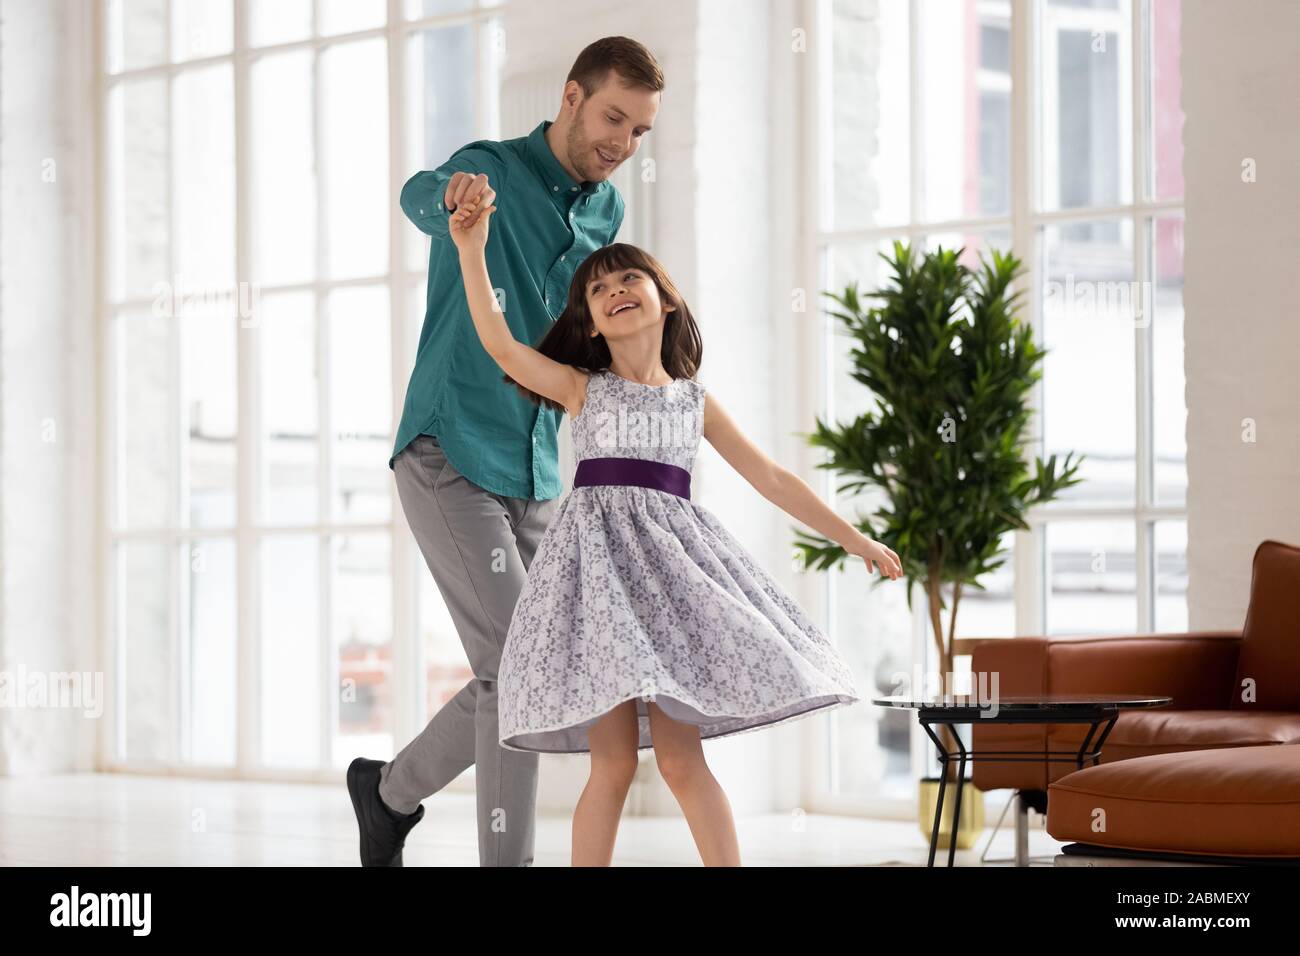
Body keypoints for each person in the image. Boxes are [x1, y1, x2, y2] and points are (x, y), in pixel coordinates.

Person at [447, 192, 904, 866]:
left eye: (629, 277)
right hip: (598, 585)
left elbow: (772, 478)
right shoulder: (584, 388)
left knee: (683, 763)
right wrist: (471, 247)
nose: (614, 290)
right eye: (597, 289)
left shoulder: (693, 400)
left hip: (671, 586)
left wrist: (855, 538)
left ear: (666, 298)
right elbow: (500, 344)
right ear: (592, 325)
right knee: (613, 768)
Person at [346, 37, 664, 868]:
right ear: (570, 97)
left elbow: (576, 333)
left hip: (538, 467)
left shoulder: (604, 214)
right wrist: (453, 201)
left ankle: (386, 795)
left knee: (526, 671)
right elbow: (421, 197)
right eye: (611, 118)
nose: (622, 144)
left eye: (639, 132)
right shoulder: (488, 168)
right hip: (450, 446)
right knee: (520, 669)